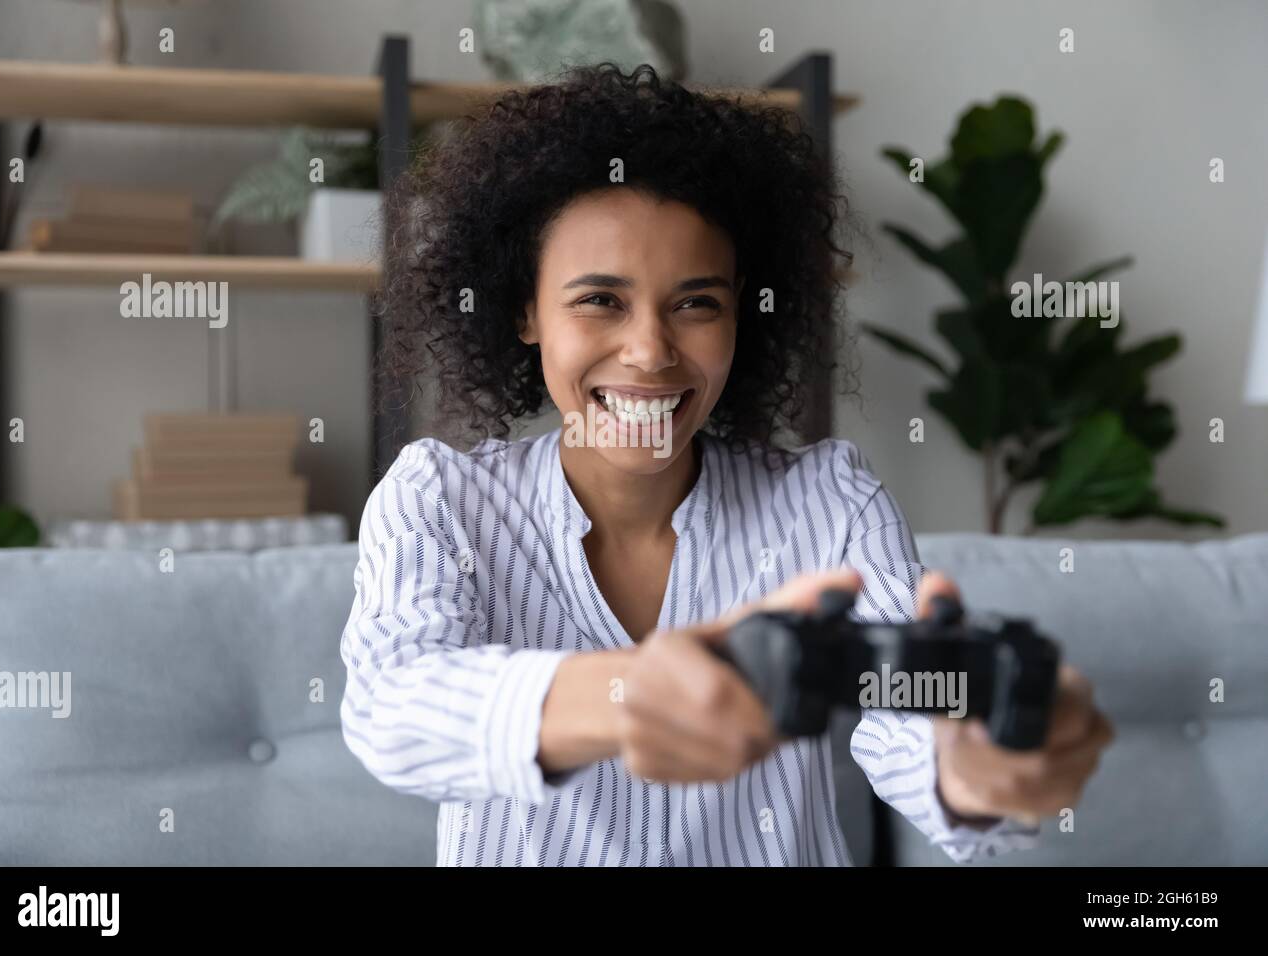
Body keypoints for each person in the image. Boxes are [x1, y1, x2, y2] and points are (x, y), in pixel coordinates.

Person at [339, 63, 1113, 866]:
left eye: (696, 303)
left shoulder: (830, 504)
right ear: (525, 310)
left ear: (743, 308)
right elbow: (391, 709)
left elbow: (906, 713)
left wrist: (973, 766)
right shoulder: (441, 498)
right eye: (600, 300)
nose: (649, 351)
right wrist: (628, 693)